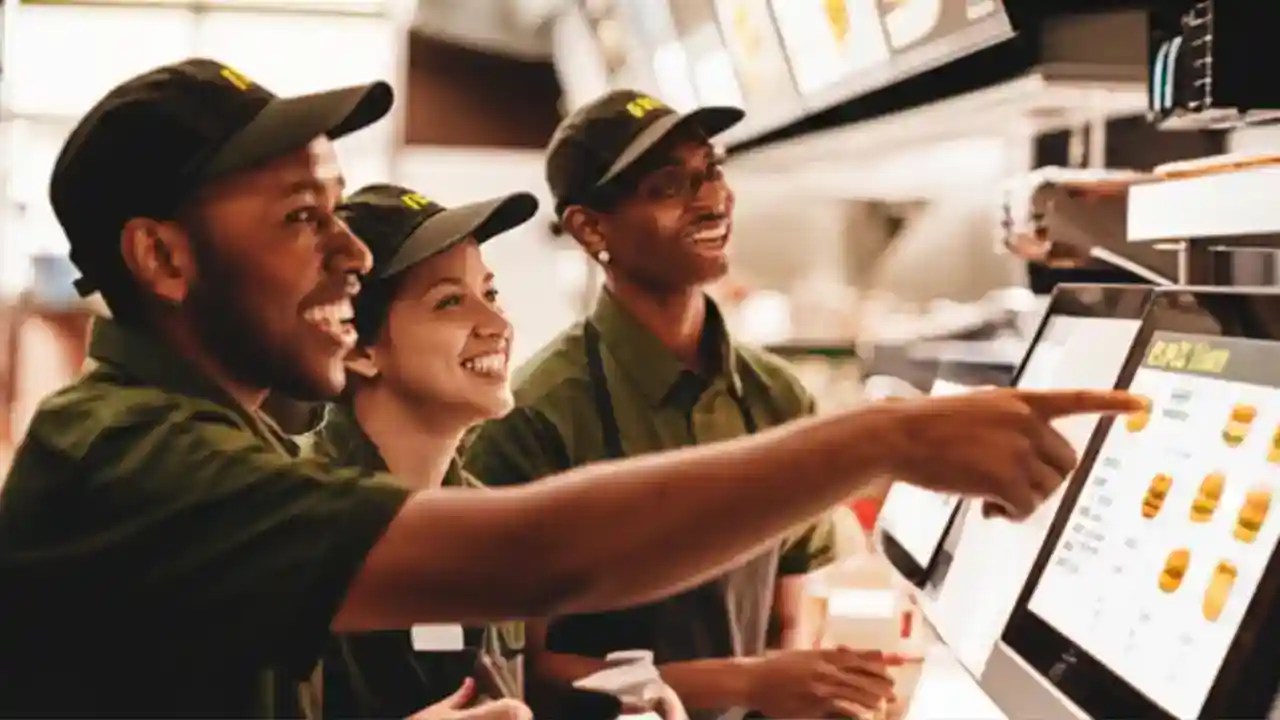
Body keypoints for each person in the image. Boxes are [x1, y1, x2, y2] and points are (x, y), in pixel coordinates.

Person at [0, 58, 1139, 718]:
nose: (350, 259)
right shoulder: (125, 454)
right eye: (305, 223)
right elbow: (532, 558)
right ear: (160, 259)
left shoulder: (202, 440)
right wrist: (879, 439)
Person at [460, 89, 874, 719]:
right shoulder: (536, 418)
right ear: (590, 227)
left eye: (713, 171)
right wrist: (749, 684)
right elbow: (525, 673)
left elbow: (792, 611)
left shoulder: (777, 395)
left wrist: (800, 689)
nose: (711, 199)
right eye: (669, 186)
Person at [314, 183, 541, 718]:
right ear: (359, 349)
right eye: (450, 302)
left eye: (491, 293)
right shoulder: (289, 521)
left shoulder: (493, 527)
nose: (498, 326)